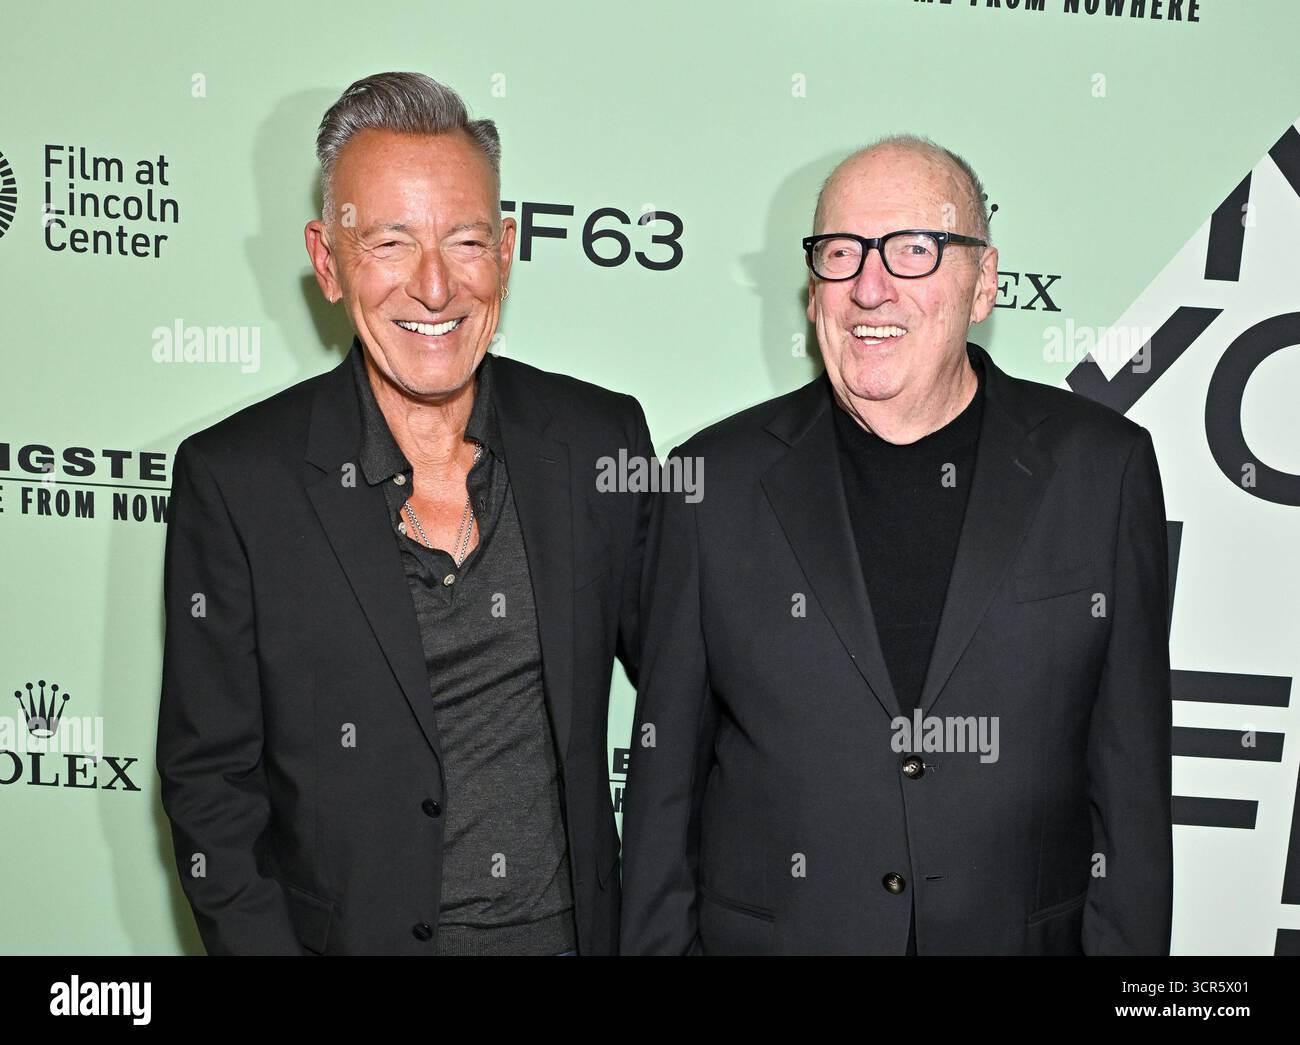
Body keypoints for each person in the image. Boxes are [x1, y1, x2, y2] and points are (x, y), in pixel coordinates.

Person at [620, 135, 1172, 955]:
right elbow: (663, 798)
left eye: (914, 249)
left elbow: (1130, 794)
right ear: (813, 291)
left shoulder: (1102, 471)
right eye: (841, 253)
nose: (870, 287)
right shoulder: (710, 483)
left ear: (984, 282)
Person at [157, 71, 652, 955]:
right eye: (390, 242)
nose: (434, 288)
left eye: (464, 241)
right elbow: (210, 786)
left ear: (505, 250)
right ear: (328, 261)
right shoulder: (237, 481)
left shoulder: (597, 441)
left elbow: (700, 686)